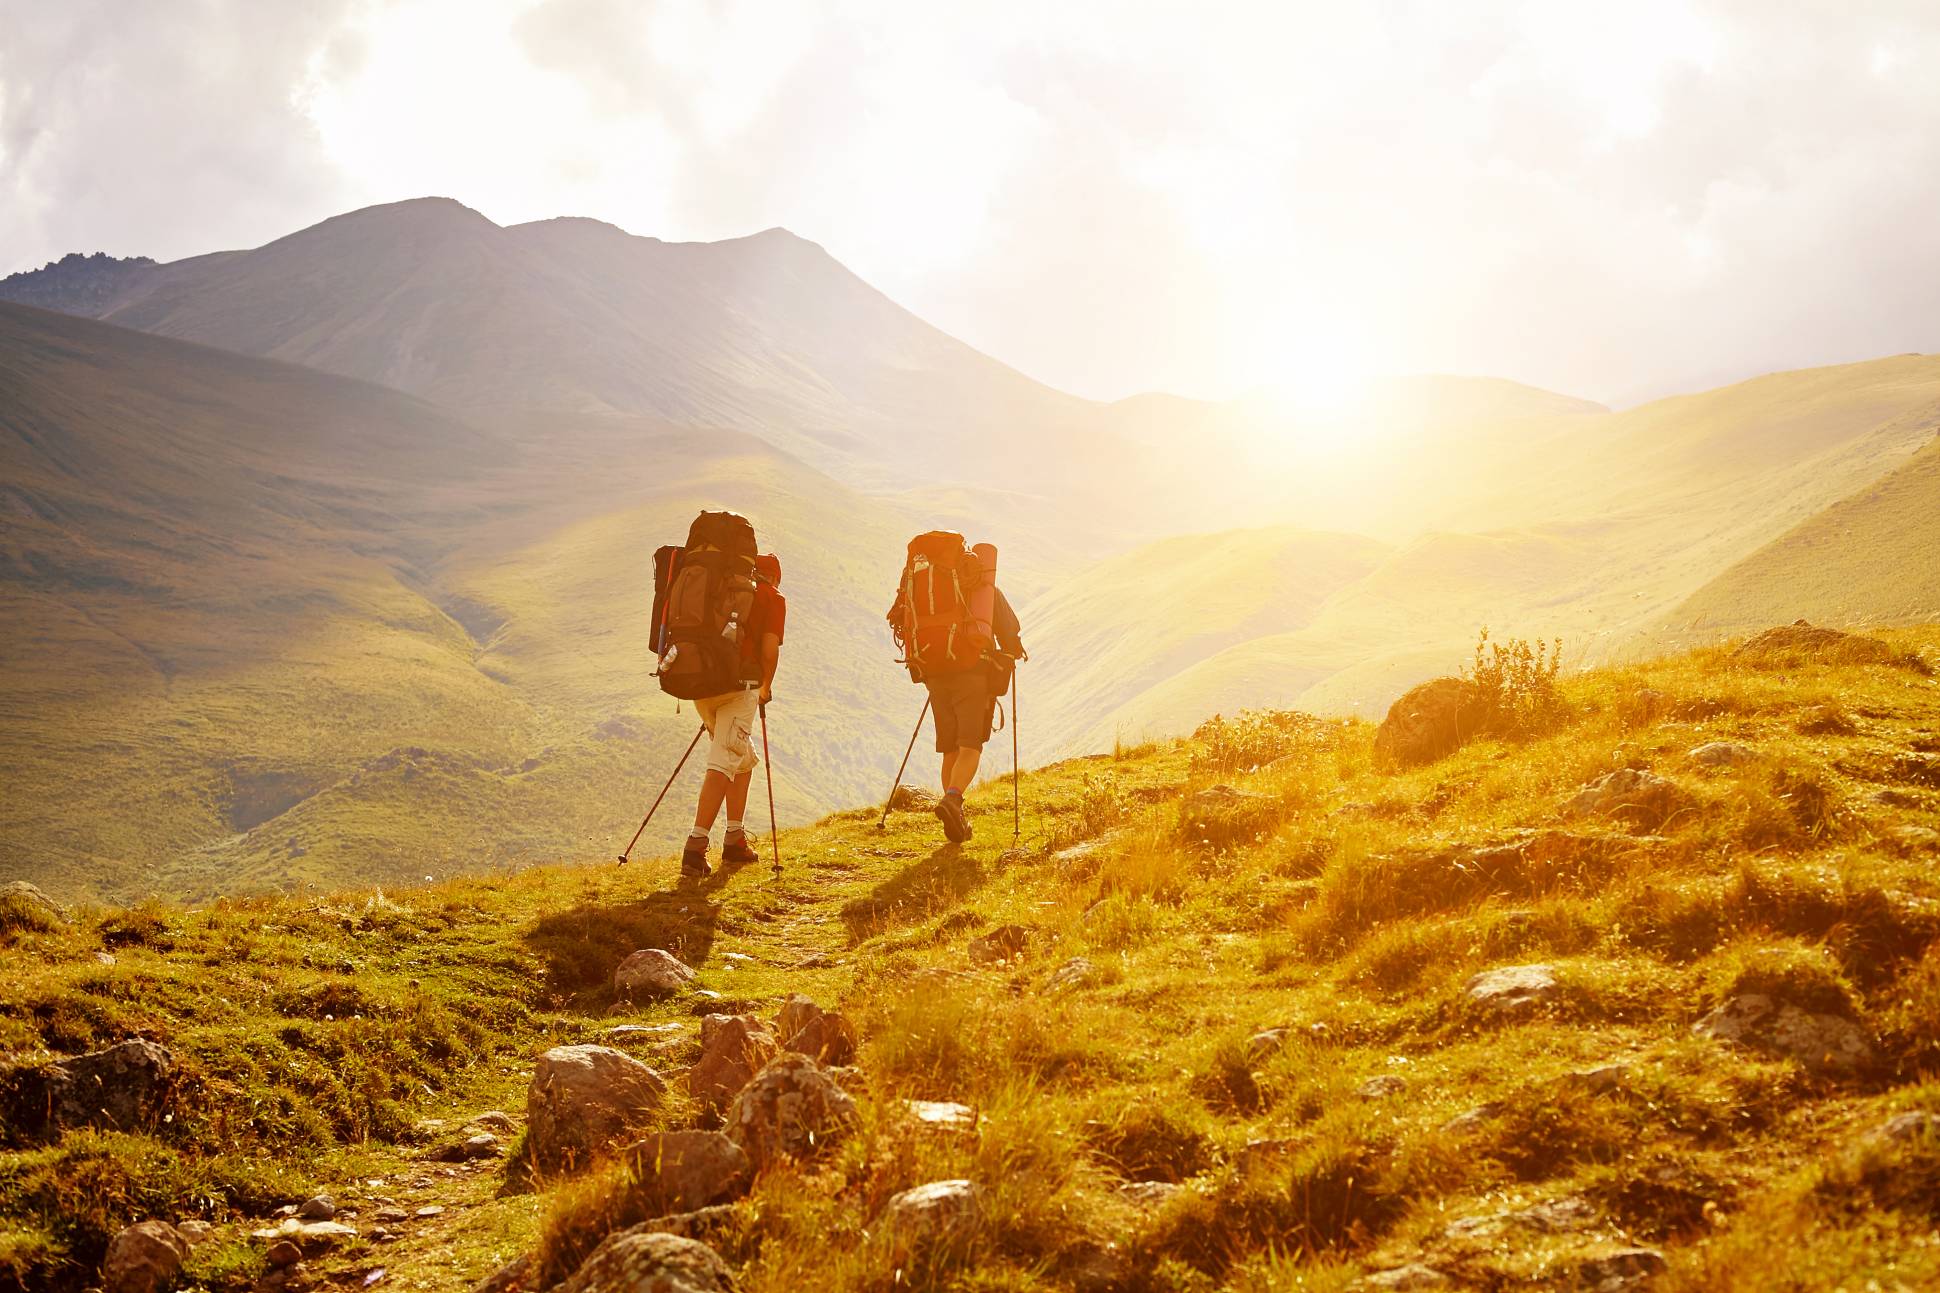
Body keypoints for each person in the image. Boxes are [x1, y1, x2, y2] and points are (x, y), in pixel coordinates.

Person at [682, 552, 784, 877]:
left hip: (702, 685)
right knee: (723, 763)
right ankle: (695, 850)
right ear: (776, 577)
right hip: (740, 687)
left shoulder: (723, 589)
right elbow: (769, 651)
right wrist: (764, 689)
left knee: (743, 759)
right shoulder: (772, 598)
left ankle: (735, 839)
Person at [923, 585, 1023, 844]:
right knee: (970, 745)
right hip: (972, 673)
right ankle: (953, 799)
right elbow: (1009, 630)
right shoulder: (984, 588)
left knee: (949, 748)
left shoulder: (926, 583)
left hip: (933, 671)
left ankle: (955, 817)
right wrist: (1013, 651)